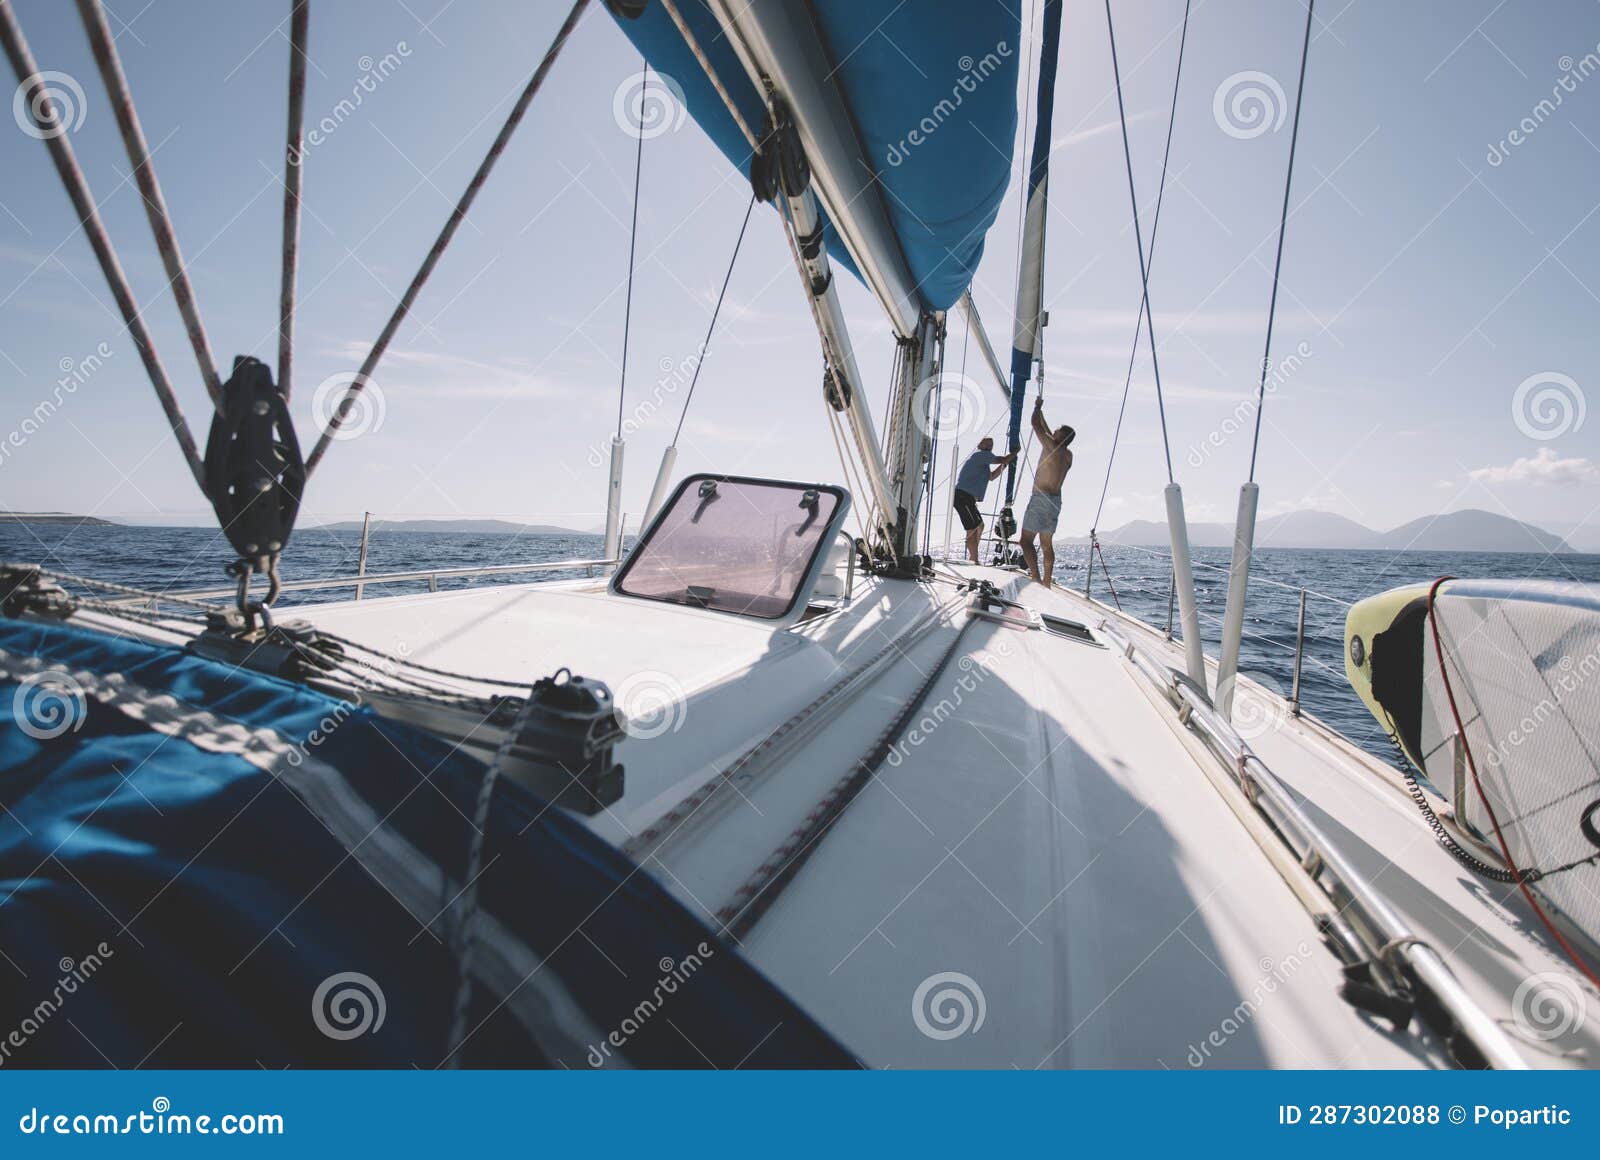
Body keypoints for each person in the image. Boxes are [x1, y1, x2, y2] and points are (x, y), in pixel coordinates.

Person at [1020, 397, 1074, 588]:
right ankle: (1047, 581)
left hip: (1040, 499)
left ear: (1060, 437)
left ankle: (1034, 577)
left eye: (1058, 430)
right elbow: (1048, 431)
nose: (1055, 431)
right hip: (1055, 502)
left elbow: (1035, 424)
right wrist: (1042, 413)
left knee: (1026, 541)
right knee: (1046, 543)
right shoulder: (1068, 455)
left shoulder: (1051, 446)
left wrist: (1036, 408)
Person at [951, 437, 1016, 563]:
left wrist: (1005, 465)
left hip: (968, 499)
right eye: (987, 443)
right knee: (973, 528)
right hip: (962, 496)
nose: (989, 445)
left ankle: (973, 557)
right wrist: (1013, 454)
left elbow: (992, 477)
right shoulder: (979, 456)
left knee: (980, 526)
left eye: (991, 443)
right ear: (980, 444)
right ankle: (974, 559)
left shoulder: (984, 464)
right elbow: (1000, 459)